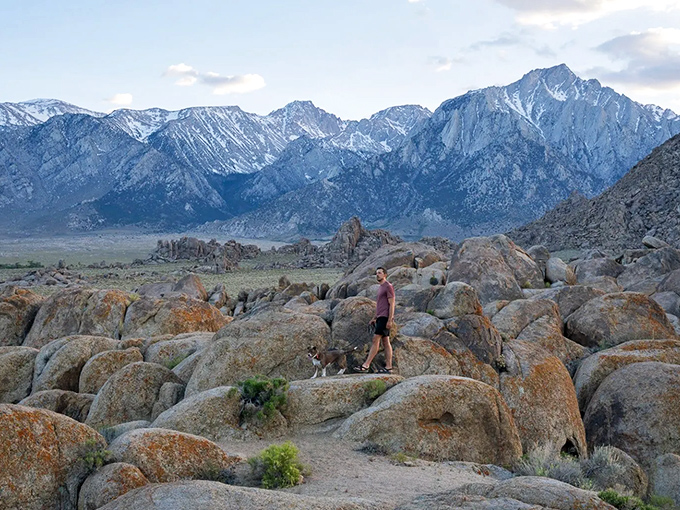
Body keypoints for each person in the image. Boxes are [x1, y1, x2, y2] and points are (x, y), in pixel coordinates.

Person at [354, 266, 395, 373]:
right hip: (380, 317)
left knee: (375, 339)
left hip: (385, 317)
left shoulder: (388, 286)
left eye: (380, 273)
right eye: (377, 273)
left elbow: (392, 304)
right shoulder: (381, 287)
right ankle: (389, 367)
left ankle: (366, 365)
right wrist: (374, 318)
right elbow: (380, 305)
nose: (378, 274)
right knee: (385, 341)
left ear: (385, 275)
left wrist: (390, 319)